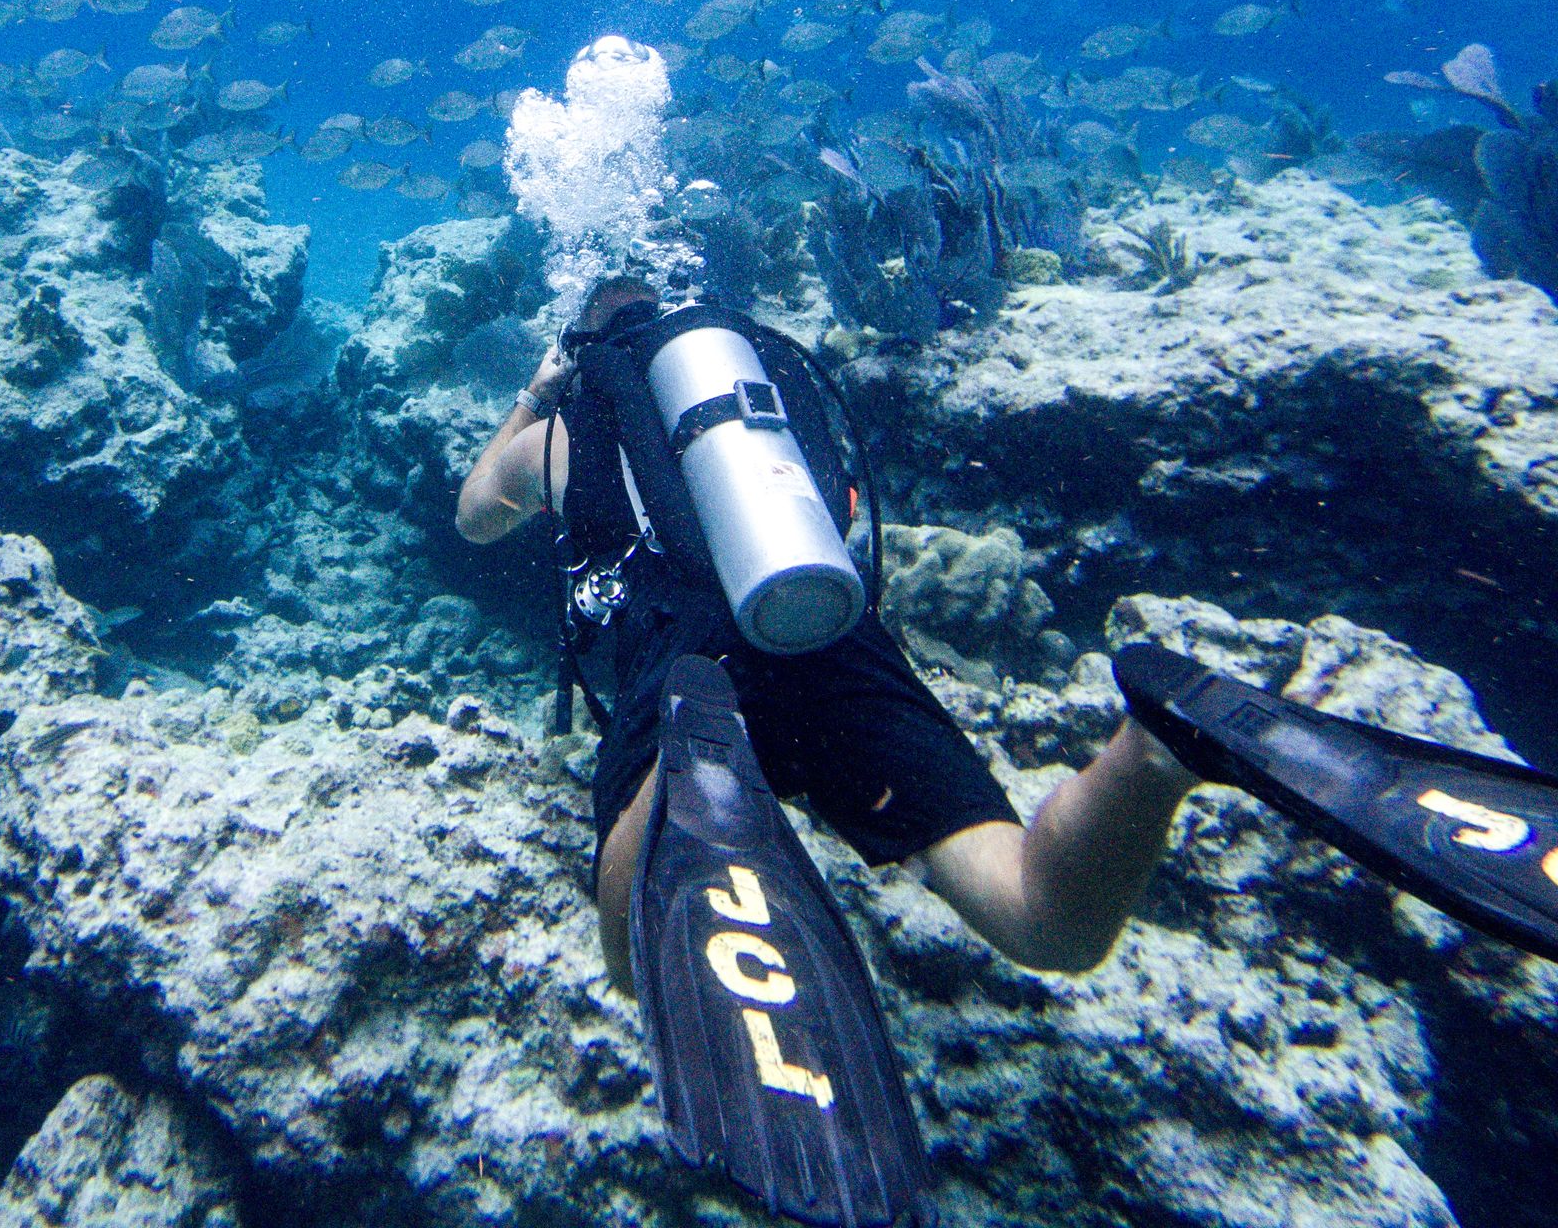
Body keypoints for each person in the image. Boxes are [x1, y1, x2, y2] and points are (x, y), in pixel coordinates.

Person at [457, 273, 1200, 996]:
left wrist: (533, 394)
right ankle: (1154, 752)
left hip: (687, 658)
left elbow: (474, 517)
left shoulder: (556, 437)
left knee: (637, 964)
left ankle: (691, 767)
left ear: (588, 352)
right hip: (820, 619)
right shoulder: (760, 404)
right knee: (1043, 920)